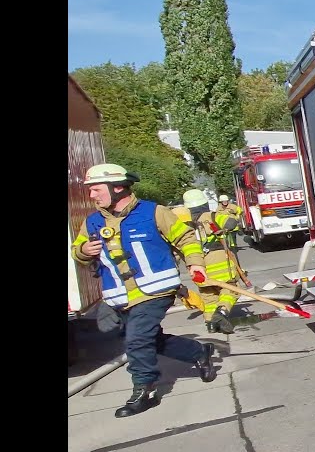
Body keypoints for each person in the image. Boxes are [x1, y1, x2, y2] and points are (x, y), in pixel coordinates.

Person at [71, 164, 218, 418]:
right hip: (120, 297)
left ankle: (144, 391)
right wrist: (84, 251)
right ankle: (197, 352)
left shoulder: (155, 212)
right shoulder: (93, 222)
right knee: (150, 340)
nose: (92, 195)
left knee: (137, 340)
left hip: (156, 292)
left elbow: (186, 239)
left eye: (95, 189)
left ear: (117, 187)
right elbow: (78, 251)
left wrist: (195, 264)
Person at [182, 189, 241, 334]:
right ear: (205, 203)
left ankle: (210, 324)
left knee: (208, 296)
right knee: (230, 289)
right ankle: (221, 313)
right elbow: (231, 222)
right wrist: (223, 228)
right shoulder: (212, 216)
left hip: (198, 267)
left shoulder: (185, 224)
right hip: (219, 263)